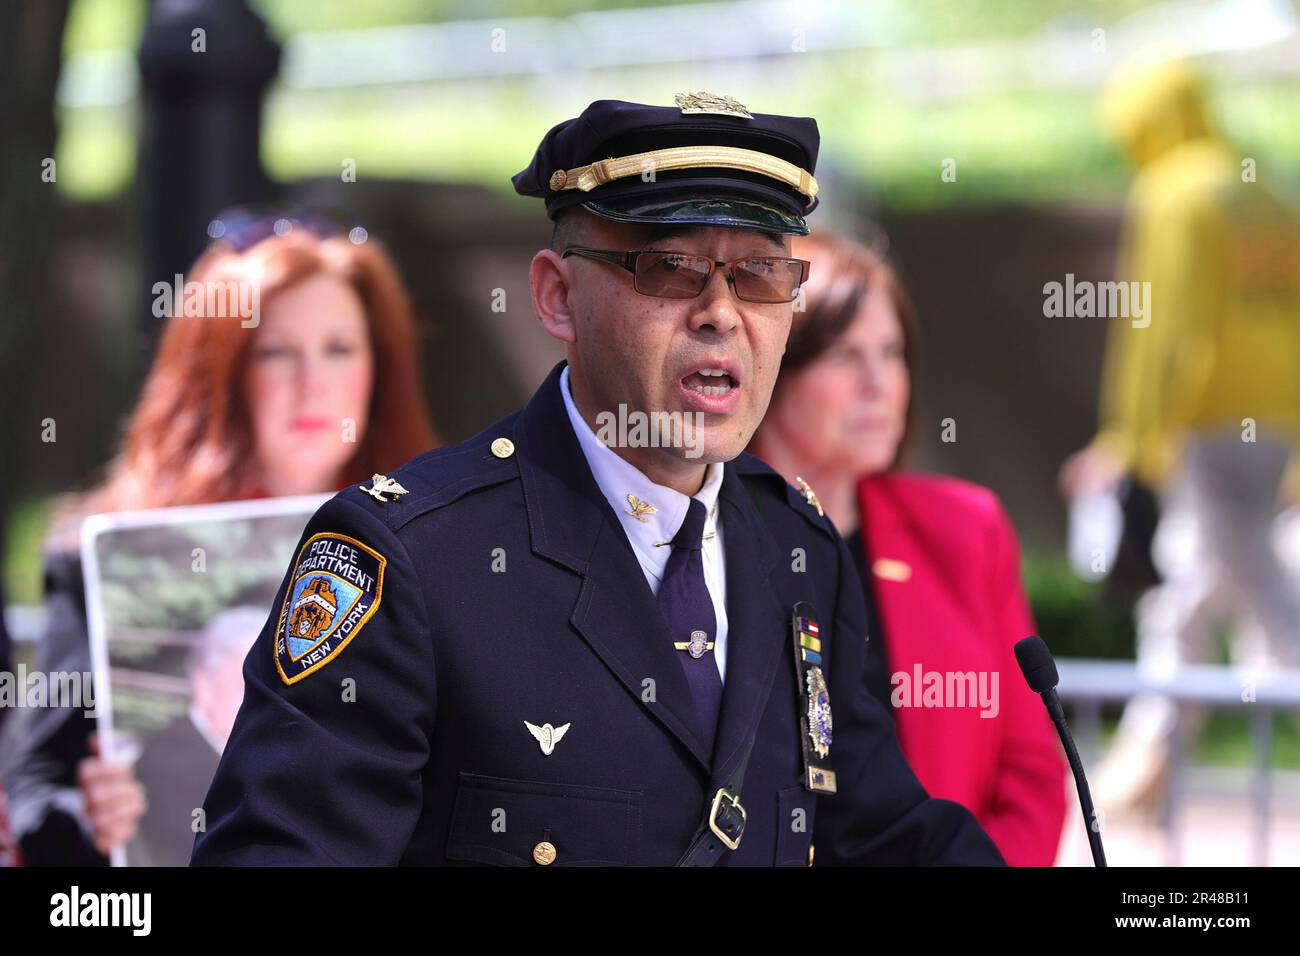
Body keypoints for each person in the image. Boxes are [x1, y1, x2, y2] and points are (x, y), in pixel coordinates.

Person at [192, 93, 1004, 867]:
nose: (721, 312)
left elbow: (876, 832)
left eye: (758, 274)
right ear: (557, 297)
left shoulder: (796, 545)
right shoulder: (407, 559)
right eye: (670, 268)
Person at [3, 209, 436, 864]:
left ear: (380, 369)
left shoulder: (442, 536)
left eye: (340, 349)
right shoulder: (109, 556)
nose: (311, 382)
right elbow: (34, 791)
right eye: (275, 351)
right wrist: (91, 817)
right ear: (219, 372)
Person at [749, 229, 1068, 865]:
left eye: (892, 352)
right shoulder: (706, 534)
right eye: (845, 355)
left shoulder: (966, 528)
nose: (880, 383)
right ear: (773, 366)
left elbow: (1031, 773)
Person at [1059, 59, 1300, 810]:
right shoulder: (1265, 192)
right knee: (1189, 588)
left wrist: (1129, 439)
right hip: (1276, 423)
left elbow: (1160, 332)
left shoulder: (1176, 192)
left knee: (1262, 590)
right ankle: (1145, 764)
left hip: (1205, 422)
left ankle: (1145, 761)